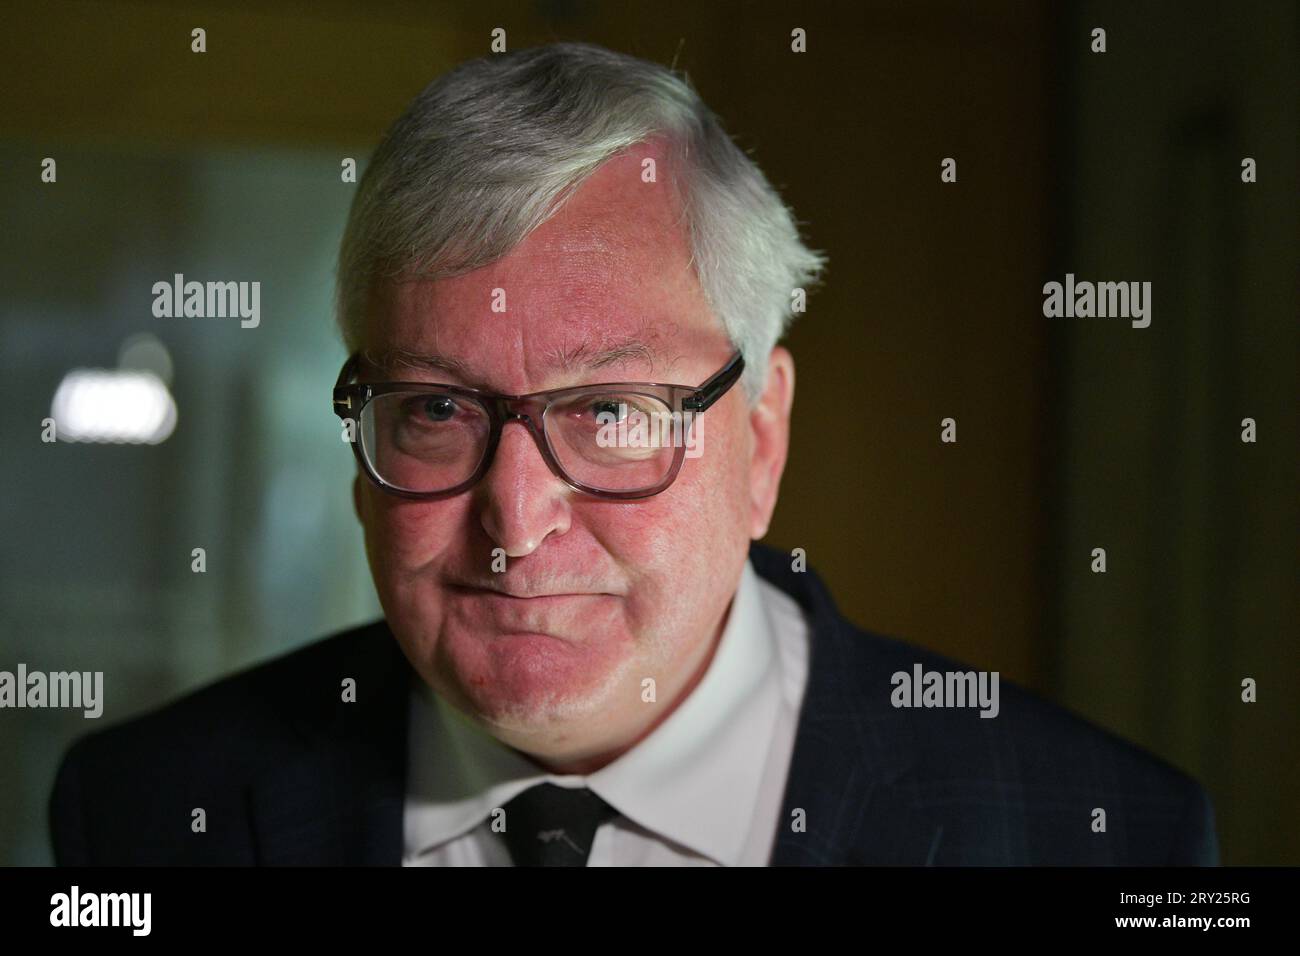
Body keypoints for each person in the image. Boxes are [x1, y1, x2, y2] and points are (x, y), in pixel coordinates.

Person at [49, 42, 1218, 866]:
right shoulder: (150, 811)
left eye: (610, 412)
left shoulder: (1095, 832)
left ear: (759, 441)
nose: (514, 522)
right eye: (439, 410)